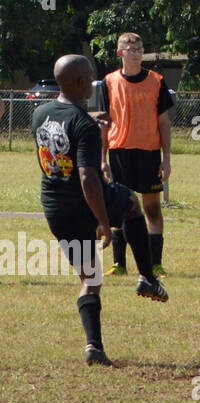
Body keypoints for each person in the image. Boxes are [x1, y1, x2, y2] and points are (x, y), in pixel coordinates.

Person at [35, 55, 167, 367]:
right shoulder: (85, 127)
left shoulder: (40, 113)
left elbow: (62, 130)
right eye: (91, 77)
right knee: (132, 202)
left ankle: (93, 346)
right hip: (83, 202)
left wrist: (87, 117)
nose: (95, 83)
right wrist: (104, 223)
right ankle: (147, 277)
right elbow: (88, 178)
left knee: (90, 278)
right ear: (81, 83)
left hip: (55, 207)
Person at [97, 33, 174, 278]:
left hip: (149, 152)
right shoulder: (109, 82)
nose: (136, 52)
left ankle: (155, 263)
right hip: (120, 151)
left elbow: (164, 122)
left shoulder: (156, 81)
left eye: (139, 48)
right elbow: (104, 124)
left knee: (151, 208)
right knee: (120, 207)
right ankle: (119, 263)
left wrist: (167, 157)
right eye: (130, 49)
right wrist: (102, 159)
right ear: (120, 53)